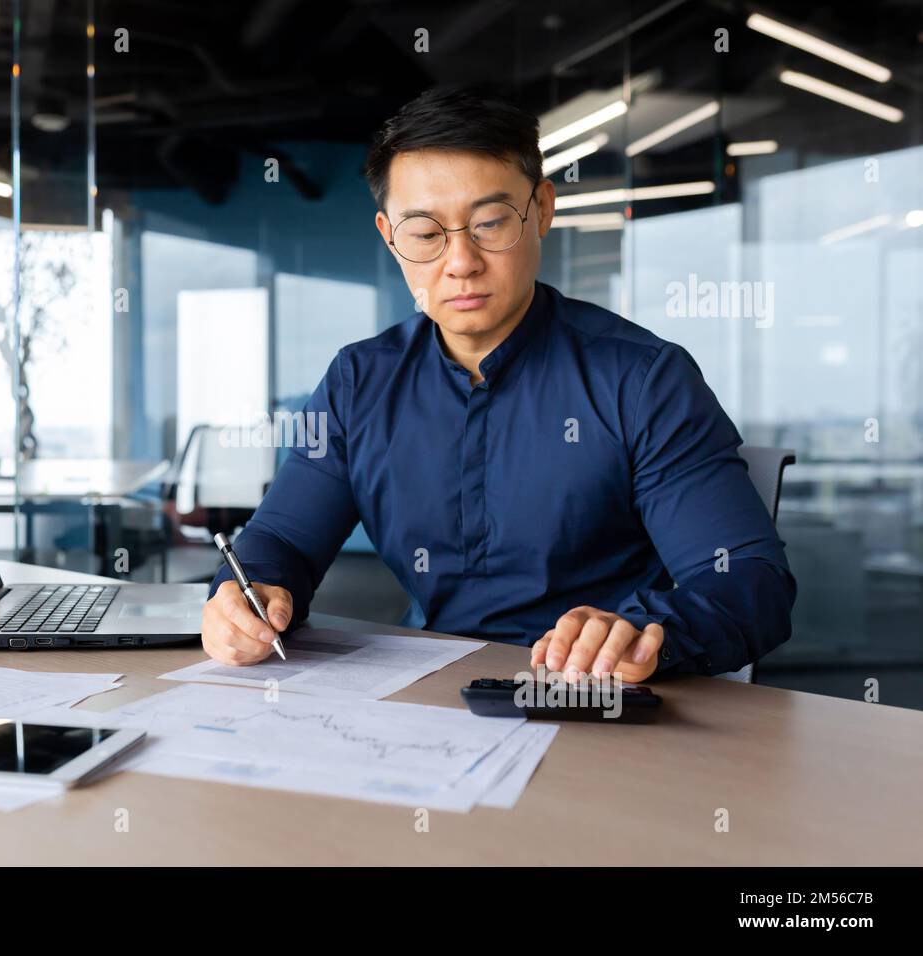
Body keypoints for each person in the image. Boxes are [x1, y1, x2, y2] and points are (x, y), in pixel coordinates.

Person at [202, 86, 796, 682]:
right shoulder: (360, 381)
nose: (460, 261)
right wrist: (241, 594)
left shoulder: (642, 379)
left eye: (489, 222)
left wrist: (643, 634)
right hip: (428, 695)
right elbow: (282, 539)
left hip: (594, 702)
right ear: (389, 235)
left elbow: (747, 579)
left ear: (541, 208)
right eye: (426, 233)